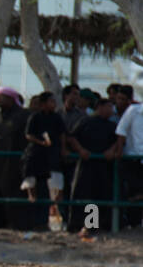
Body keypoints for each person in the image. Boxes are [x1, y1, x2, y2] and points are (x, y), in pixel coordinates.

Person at [67, 94, 123, 238]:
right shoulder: (85, 122)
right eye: (109, 107)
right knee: (86, 195)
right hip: (86, 165)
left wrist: (112, 150)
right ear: (100, 107)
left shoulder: (112, 125)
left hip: (104, 167)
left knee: (101, 194)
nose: (111, 110)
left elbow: (120, 139)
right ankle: (84, 225)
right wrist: (80, 150)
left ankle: (98, 225)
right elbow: (72, 137)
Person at [21, 92, 66, 232]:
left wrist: (63, 149)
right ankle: (36, 222)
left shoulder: (57, 118)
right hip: (37, 159)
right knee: (36, 191)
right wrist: (40, 142)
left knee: (55, 191)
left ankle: (52, 221)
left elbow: (62, 134)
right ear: (44, 103)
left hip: (52, 159)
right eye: (51, 101)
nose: (54, 104)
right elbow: (29, 134)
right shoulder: (35, 117)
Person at [0, 87, 28, 230]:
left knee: (14, 196)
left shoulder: (23, 116)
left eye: (3, 97)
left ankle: (15, 226)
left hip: (15, 165)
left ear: (11, 99)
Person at [114, 89, 143, 227]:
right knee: (133, 191)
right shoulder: (133, 111)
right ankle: (133, 223)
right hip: (133, 158)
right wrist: (119, 150)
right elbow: (121, 130)